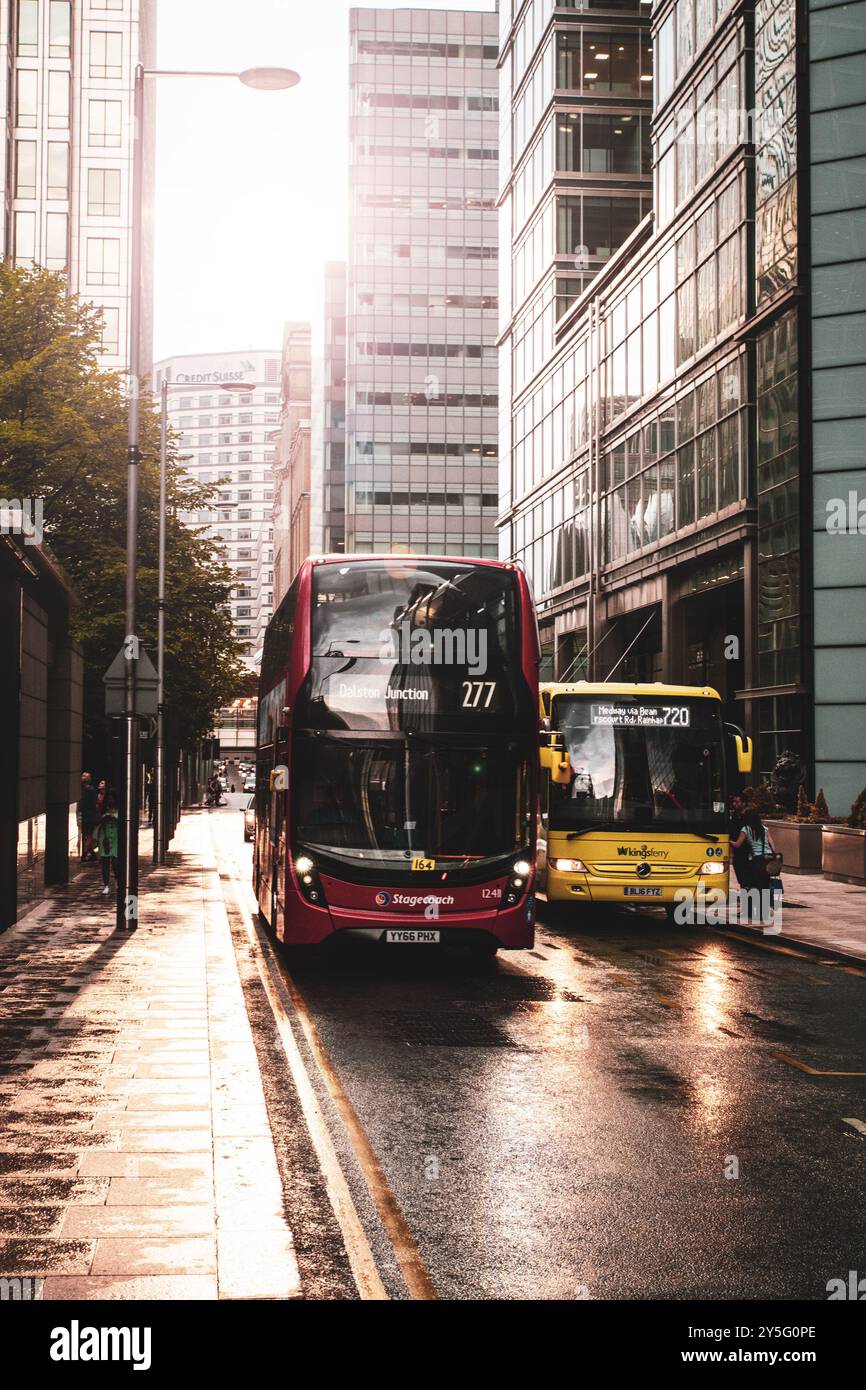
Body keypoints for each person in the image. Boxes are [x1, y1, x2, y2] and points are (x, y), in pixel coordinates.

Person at [731, 807, 782, 922]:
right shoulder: (764, 829)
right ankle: (764, 912)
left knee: (756, 886)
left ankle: (757, 913)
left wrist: (729, 841)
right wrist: (772, 855)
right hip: (768, 859)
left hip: (757, 860)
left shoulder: (746, 829)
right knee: (765, 885)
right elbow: (772, 844)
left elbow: (738, 844)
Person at [95, 794, 119, 895]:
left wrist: (114, 818)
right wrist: (104, 818)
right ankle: (106, 885)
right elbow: (97, 822)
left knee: (115, 863)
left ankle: (117, 881)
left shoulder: (120, 813)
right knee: (105, 863)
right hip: (104, 839)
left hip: (115, 839)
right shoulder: (103, 812)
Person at [729, 794, 750, 888]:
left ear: (744, 803)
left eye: (737, 802)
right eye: (734, 802)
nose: (734, 804)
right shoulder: (734, 815)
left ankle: (748, 897)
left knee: (745, 876)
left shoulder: (748, 816)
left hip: (746, 850)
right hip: (737, 851)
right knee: (741, 875)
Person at [78, 773, 98, 861]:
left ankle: (85, 853)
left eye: (85, 776)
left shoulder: (90, 790)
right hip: (85, 814)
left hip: (89, 815)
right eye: (82, 776)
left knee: (89, 835)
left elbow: (93, 803)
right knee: (87, 835)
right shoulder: (82, 790)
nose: (83, 778)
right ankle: (91, 853)